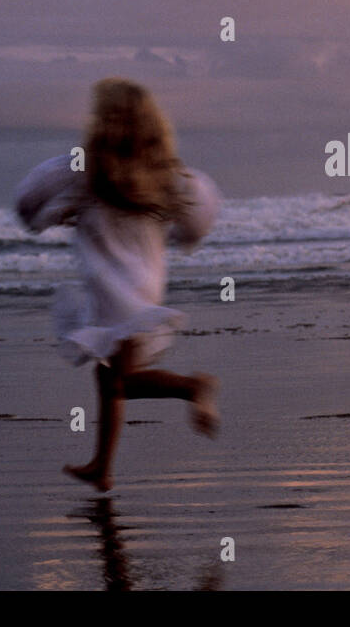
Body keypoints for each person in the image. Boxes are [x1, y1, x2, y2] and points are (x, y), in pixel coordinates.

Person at [14, 77, 221, 492]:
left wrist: (52, 214)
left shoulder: (81, 170)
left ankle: (192, 386)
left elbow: (27, 198)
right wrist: (184, 238)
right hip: (143, 288)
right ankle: (102, 467)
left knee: (121, 380)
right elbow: (200, 217)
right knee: (108, 374)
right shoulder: (167, 176)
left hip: (112, 292)